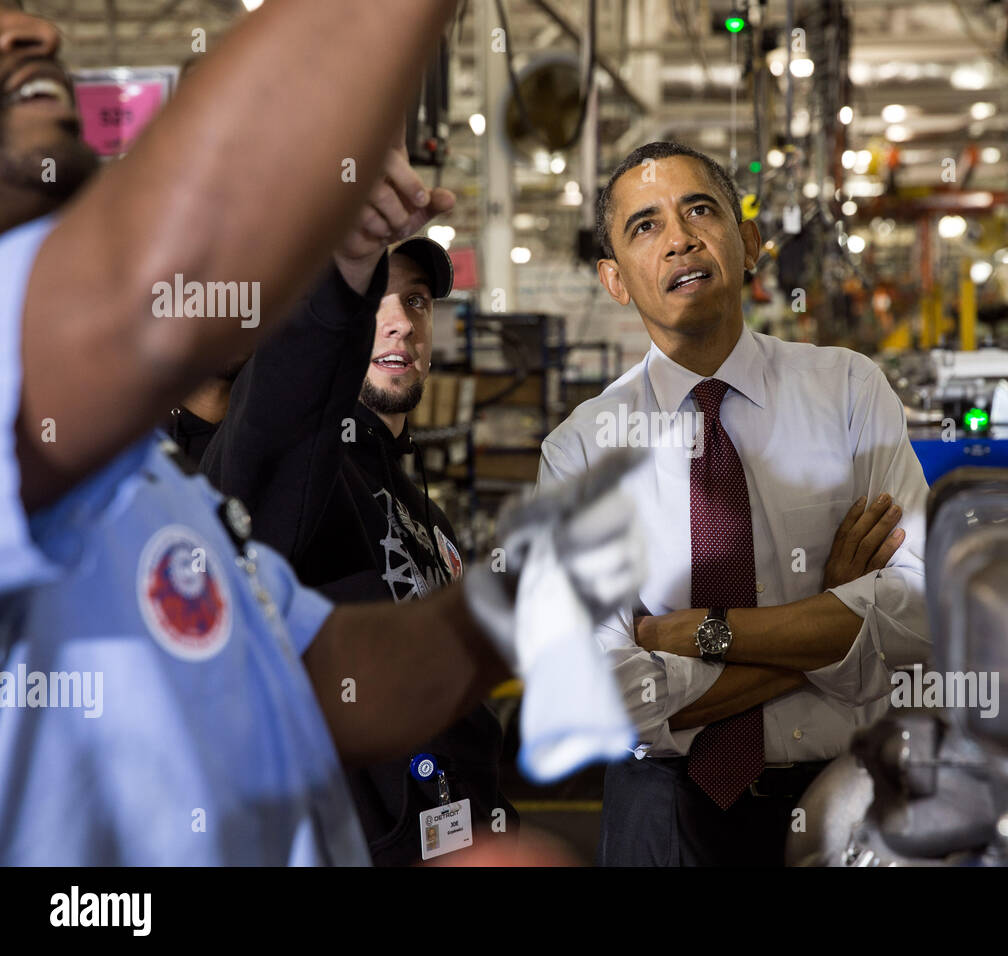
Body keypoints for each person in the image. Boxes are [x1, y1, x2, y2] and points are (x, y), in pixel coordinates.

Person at [0, 0, 639, 864]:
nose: (37, 30)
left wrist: (527, 596)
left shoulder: (144, 483)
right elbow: (140, 282)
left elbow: (332, 669)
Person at [537, 142, 932, 866]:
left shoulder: (849, 391)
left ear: (747, 243)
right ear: (615, 280)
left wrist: (704, 632)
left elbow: (916, 615)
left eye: (699, 210)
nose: (680, 237)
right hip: (662, 811)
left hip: (843, 796)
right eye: (644, 227)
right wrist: (829, 617)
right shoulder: (581, 453)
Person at [200, 152, 517, 863]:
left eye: (417, 301)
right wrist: (339, 277)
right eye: (377, 302)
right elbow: (277, 422)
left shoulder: (420, 510)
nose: (400, 323)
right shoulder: (301, 476)